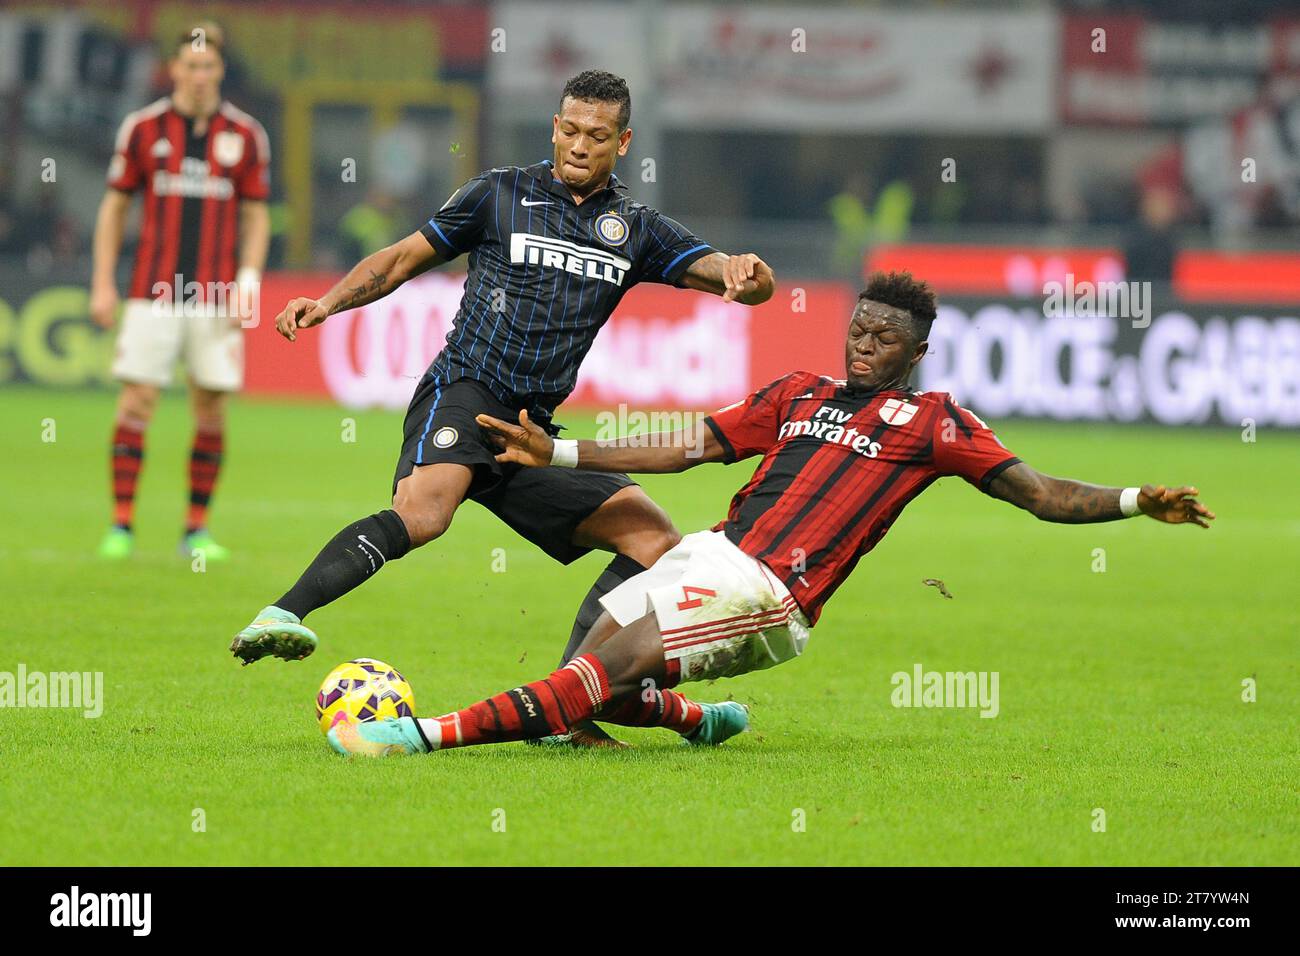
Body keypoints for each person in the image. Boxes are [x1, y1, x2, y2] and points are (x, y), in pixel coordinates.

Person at [323, 271, 1215, 758]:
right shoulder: (798, 390)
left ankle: (420, 737)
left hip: (771, 590)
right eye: (858, 329)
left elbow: (1041, 494)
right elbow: (686, 444)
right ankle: (698, 723)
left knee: (606, 671)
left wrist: (1138, 502)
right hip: (713, 555)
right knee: (601, 677)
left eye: (883, 338)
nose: (863, 344)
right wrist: (556, 452)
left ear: (918, 351)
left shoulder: (935, 422)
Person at [231, 71, 776, 749]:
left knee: (653, 543)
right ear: (554, 127)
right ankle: (282, 612)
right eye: (570, 130)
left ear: (624, 141)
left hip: (531, 435)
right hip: (466, 391)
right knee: (425, 515)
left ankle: (564, 705)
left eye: (598, 136)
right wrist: (328, 302)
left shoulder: (635, 230)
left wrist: (749, 276)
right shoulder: (499, 194)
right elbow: (402, 258)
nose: (580, 145)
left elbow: (733, 280)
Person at [90, 20, 270, 562]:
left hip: (215, 294)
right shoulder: (142, 129)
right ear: (174, 69)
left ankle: (196, 528)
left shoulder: (245, 135)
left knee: (210, 406)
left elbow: (257, 215)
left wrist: (249, 280)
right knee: (138, 399)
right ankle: (122, 525)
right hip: (153, 291)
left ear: (219, 71)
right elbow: (115, 206)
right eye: (189, 65)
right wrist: (102, 281)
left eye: (208, 66)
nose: (198, 75)